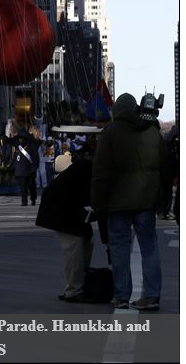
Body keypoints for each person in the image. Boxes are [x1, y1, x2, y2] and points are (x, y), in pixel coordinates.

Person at [91, 93, 171, 311]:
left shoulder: (110, 134)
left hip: (118, 202)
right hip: (146, 200)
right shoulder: (152, 131)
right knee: (150, 246)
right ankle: (152, 295)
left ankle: (122, 296)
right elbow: (166, 168)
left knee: (119, 247)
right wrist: (165, 200)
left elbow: (101, 173)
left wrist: (98, 203)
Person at [35, 145, 97, 302]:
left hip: (66, 206)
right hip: (60, 208)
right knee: (74, 248)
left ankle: (78, 286)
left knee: (83, 243)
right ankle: (74, 290)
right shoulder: (90, 169)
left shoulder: (88, 166)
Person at [10, 128, 40, 206]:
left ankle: (33, 198)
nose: (20, 140)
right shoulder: (17, 147)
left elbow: (36, 158)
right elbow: (15, 158)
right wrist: (13, 166)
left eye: (22, 138)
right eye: (19, 138)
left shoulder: (31, 146)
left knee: (31, 186)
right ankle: (24, 201)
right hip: (20, 170)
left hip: (29, 170)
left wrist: (34, 168)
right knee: (23, 187)